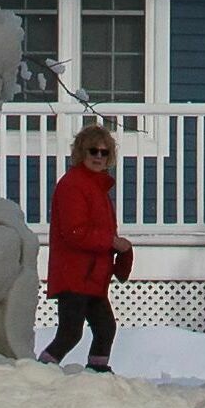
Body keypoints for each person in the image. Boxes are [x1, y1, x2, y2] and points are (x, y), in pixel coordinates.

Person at [39, 121, 131, 369]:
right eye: (93, 151)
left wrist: (118, 250)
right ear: (81, 153)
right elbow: (74, 232)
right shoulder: (73, 185)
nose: (99, 157)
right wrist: (111, 242)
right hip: (74, 273)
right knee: (70, 333)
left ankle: (97, 374)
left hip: (92, 276)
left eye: (104, 152)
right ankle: (38, 372)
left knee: (105, 328)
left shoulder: (96, 187)